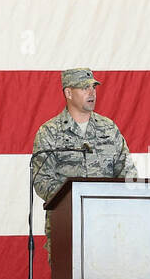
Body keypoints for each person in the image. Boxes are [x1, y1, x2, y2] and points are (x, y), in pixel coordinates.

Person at [31, 69, 137, 260]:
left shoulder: (109, 128)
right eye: (84, 87)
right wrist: (76, 201)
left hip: (108, 227)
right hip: (67, 226)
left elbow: (127, 171)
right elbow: (41, 180)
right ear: (68, 93)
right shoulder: (49, 132)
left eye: (93, 87)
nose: (92, 92)